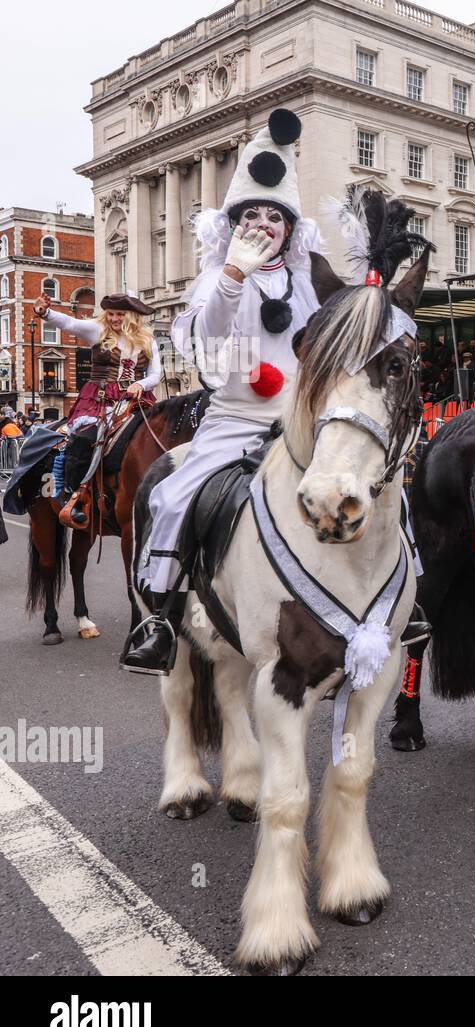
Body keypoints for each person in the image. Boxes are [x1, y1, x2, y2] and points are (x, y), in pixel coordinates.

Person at [123, 108, 324, 673]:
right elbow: (206, 342)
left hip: (302, 419)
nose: (262, 224)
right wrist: (234, 278)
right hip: (236, 419)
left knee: (377, 482)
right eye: (250, 215)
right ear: (234, 225)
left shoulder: (304, 281)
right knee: (172, 495)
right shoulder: (217, 276)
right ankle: (159, 618)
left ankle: (401, 600)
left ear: (289, 227)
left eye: (274, 216)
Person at [31, 291, 161, 527]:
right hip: (101, 400)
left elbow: (155, 375)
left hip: (136, 401)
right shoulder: (98, 330)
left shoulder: (148, 339)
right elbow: (70, 323)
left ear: (131, 316)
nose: (113, 318)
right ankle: (76, 497)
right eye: (110, 313)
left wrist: (139, 384)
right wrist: (45, 313)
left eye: (119, 314)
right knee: (84, 438)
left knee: (155, 440)